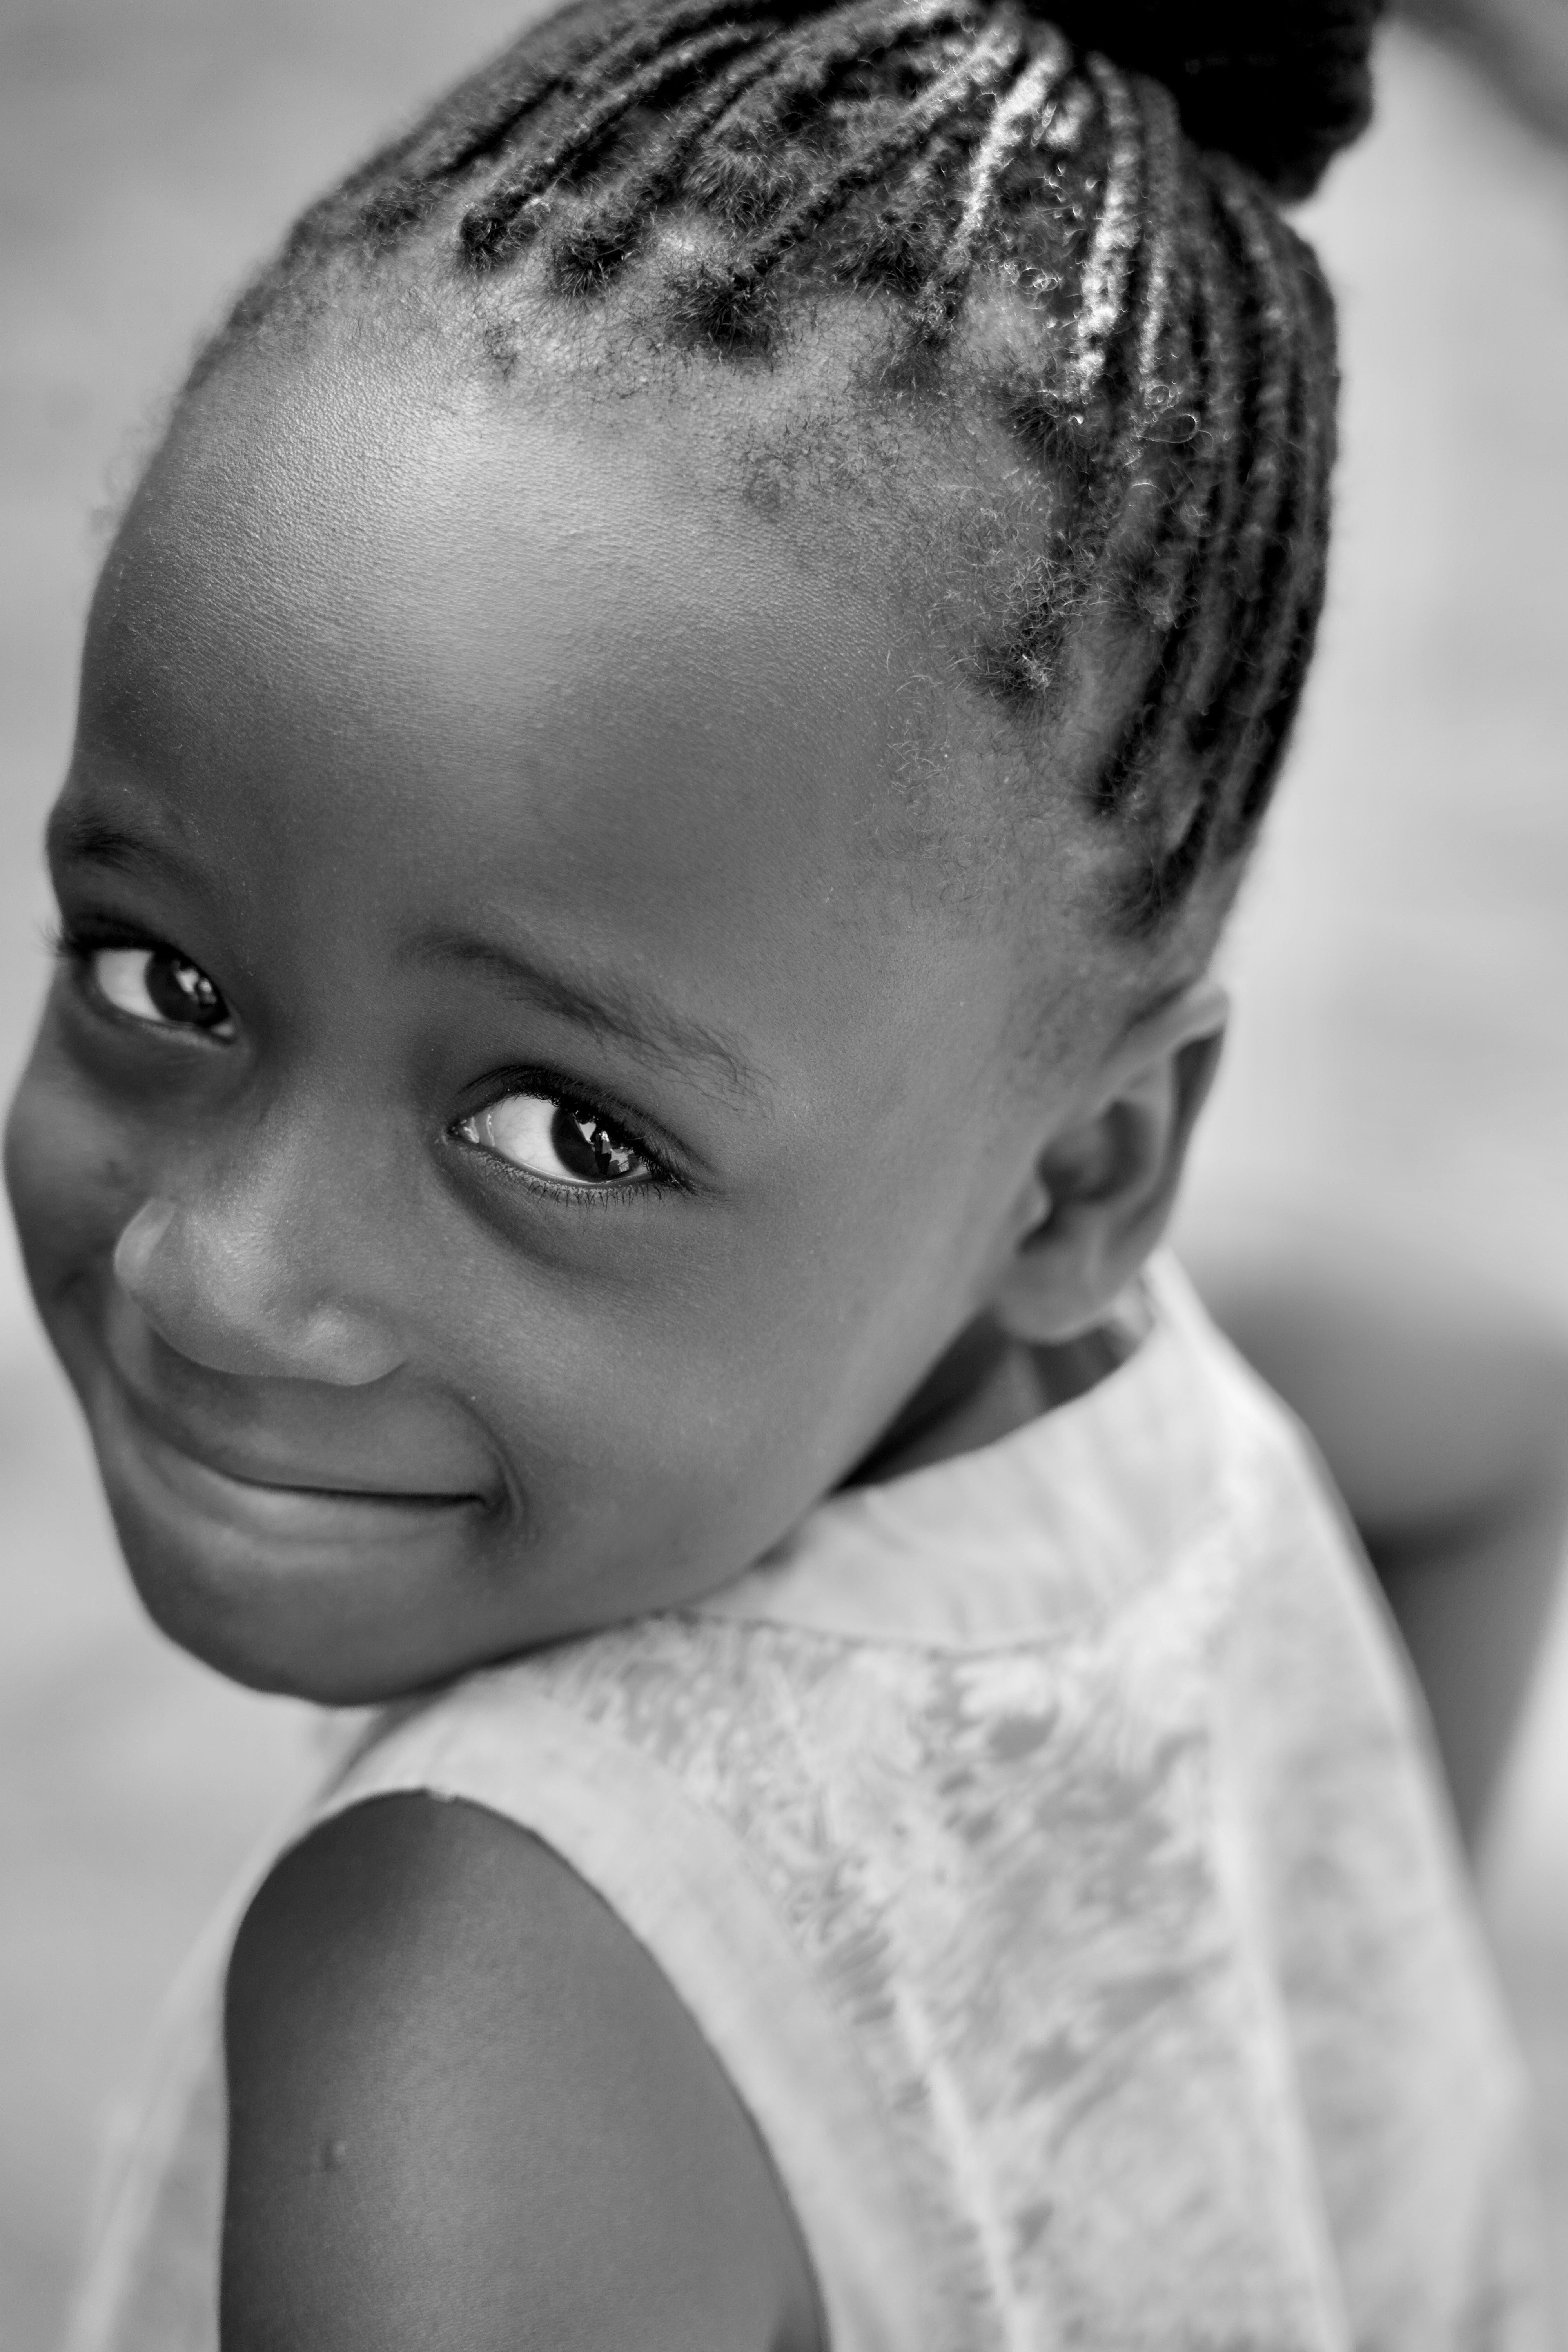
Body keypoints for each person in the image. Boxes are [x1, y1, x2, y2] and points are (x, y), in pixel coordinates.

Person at [2, 0, 1546, 2343]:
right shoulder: (1185, 1440)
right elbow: (1502, 1425)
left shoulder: (463, 2000)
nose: (217, 1275)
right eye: (163, 980)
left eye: (562, 1131)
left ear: (1079, 1180)